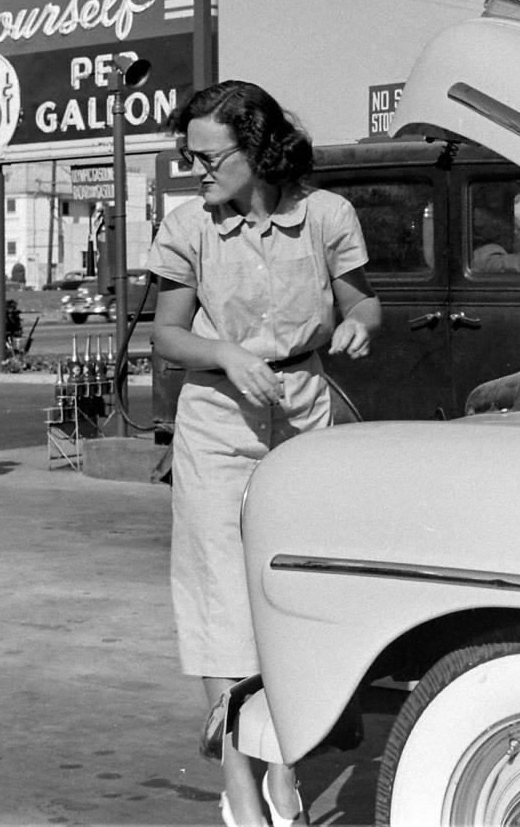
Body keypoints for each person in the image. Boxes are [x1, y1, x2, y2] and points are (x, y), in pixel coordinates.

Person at [147, 81, 381, 827]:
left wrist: (360, 326)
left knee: (294, 594)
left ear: (258, 148)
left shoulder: (327, 217)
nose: (197, 171)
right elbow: (167, 334)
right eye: (189, 157)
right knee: (222, 604)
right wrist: (223, 353)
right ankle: (246, 793)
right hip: (219, 420)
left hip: (306, 413)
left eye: (208, 156)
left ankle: (283, 764)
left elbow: (363, 300)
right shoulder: (189, 225)